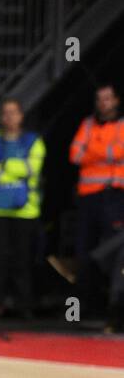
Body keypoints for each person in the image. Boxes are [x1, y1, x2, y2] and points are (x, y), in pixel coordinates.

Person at [0, 98, 44, 325]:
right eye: (5, 113)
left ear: (21, 115)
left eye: (14, 112)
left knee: (23, 261)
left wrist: (4, 165)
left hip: (25, 212)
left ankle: (24, 308)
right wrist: (18, 168)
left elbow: (32, 169)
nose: (9, 117)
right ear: (0, 116)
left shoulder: (33, 141)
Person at [69, 82, 124, 316]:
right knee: (85, 252)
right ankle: (85, 306)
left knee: (113, 252)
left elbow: (119, 153)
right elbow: (74, 155)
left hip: (113, 196)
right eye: (100, 99)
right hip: (87, 198)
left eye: (108, 98)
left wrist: (92, 151)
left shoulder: (122, 125)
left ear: (116, 101)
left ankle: (113, 304)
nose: (103, 103)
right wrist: (105, 152)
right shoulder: (88, 124)